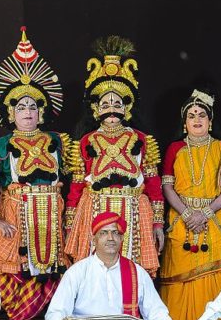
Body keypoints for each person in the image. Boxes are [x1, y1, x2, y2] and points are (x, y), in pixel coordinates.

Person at [0, 27, 73, 320]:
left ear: (41, 111)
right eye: (21, 107)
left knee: (54, 277)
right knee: (13, 276)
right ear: (10, 112)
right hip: (15, 214)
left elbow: (75, 181)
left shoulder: (58, 141)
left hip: (52, 217)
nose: (28, 112)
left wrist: (71, 218)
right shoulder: (0, 144)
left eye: (32, 107)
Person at [64, 36, 164, 276]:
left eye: (117, 102)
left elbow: (152, 183)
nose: (111, 108)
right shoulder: (86, 141)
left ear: (126, 108)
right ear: (96, 108)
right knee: (94, 269)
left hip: (134, 208)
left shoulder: (141, 139)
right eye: (105, 103)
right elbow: (77, 184)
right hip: (95, 206)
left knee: (133, 270)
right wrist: (70, 223)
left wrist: (158, 223)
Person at [160, 88, 221, 320]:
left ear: (210, 121)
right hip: (180, 221)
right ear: (184, 123)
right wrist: (186, 214)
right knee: (179, 278)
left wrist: (205, 212)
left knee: (216, 276)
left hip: (214, 221)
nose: (196, 119)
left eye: (202, 114)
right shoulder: (174, 149)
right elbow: (167, 187)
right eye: (191, 115)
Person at [46, 212, 178, 320]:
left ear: (122, 239)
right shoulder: (77, 272)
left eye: (115, 233)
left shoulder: (137, 273)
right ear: (94, 240)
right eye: (104, 233)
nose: (110, 238)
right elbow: (57, 310)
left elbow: (156, 313)